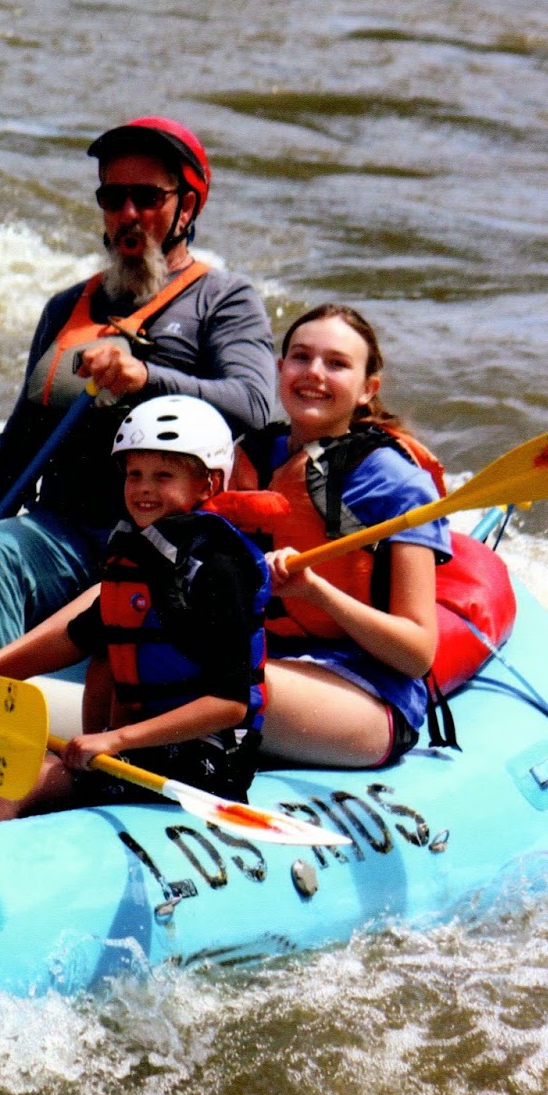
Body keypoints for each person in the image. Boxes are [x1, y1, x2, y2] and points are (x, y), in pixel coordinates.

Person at [0, 116, 276, 664]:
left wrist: (147, 379)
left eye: (146, 197)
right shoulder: (67, 308)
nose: (128, 214)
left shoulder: (224, 301)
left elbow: (254, 403)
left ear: (187, 207)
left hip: (164, 541)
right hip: (64, 536)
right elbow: (17, 447)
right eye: (114, 198)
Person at [0, 396, 269, 825]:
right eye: (134, 474)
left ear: (208, 485)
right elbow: (78, 637)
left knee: (14, 790)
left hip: (205, 760)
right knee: (8, 783)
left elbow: (229, 705)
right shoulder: (141, 556)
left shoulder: (220, 568)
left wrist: (116, 739)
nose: (143, 488)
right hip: (138, 749)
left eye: (163, 475)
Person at [227, 304, 451, 768]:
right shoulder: (246, 456)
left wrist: (317, 593)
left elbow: (417, 654)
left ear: (368, 389)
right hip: (264, 657)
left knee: (183, 679)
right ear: (279, 368)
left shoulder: (394, 482)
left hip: (363, 691)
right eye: (301, 357)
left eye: (336, 363)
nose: (314, 373)